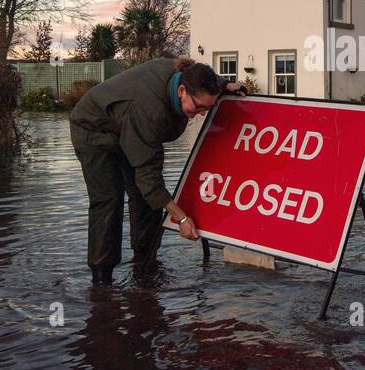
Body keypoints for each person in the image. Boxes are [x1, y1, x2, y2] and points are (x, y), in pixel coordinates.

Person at [69, 56, 244, 283]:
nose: (201, 113)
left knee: (146, 199)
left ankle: (145, 262)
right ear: (182, 91)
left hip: (129, 127)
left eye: (207, 108)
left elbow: (204, 76)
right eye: (198, 107)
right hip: (94, 129)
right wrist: (181, 219)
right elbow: (149, 178)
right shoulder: (151, 112)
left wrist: (225, 84)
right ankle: (102, 278)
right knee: (109, 200)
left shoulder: (188, 76)